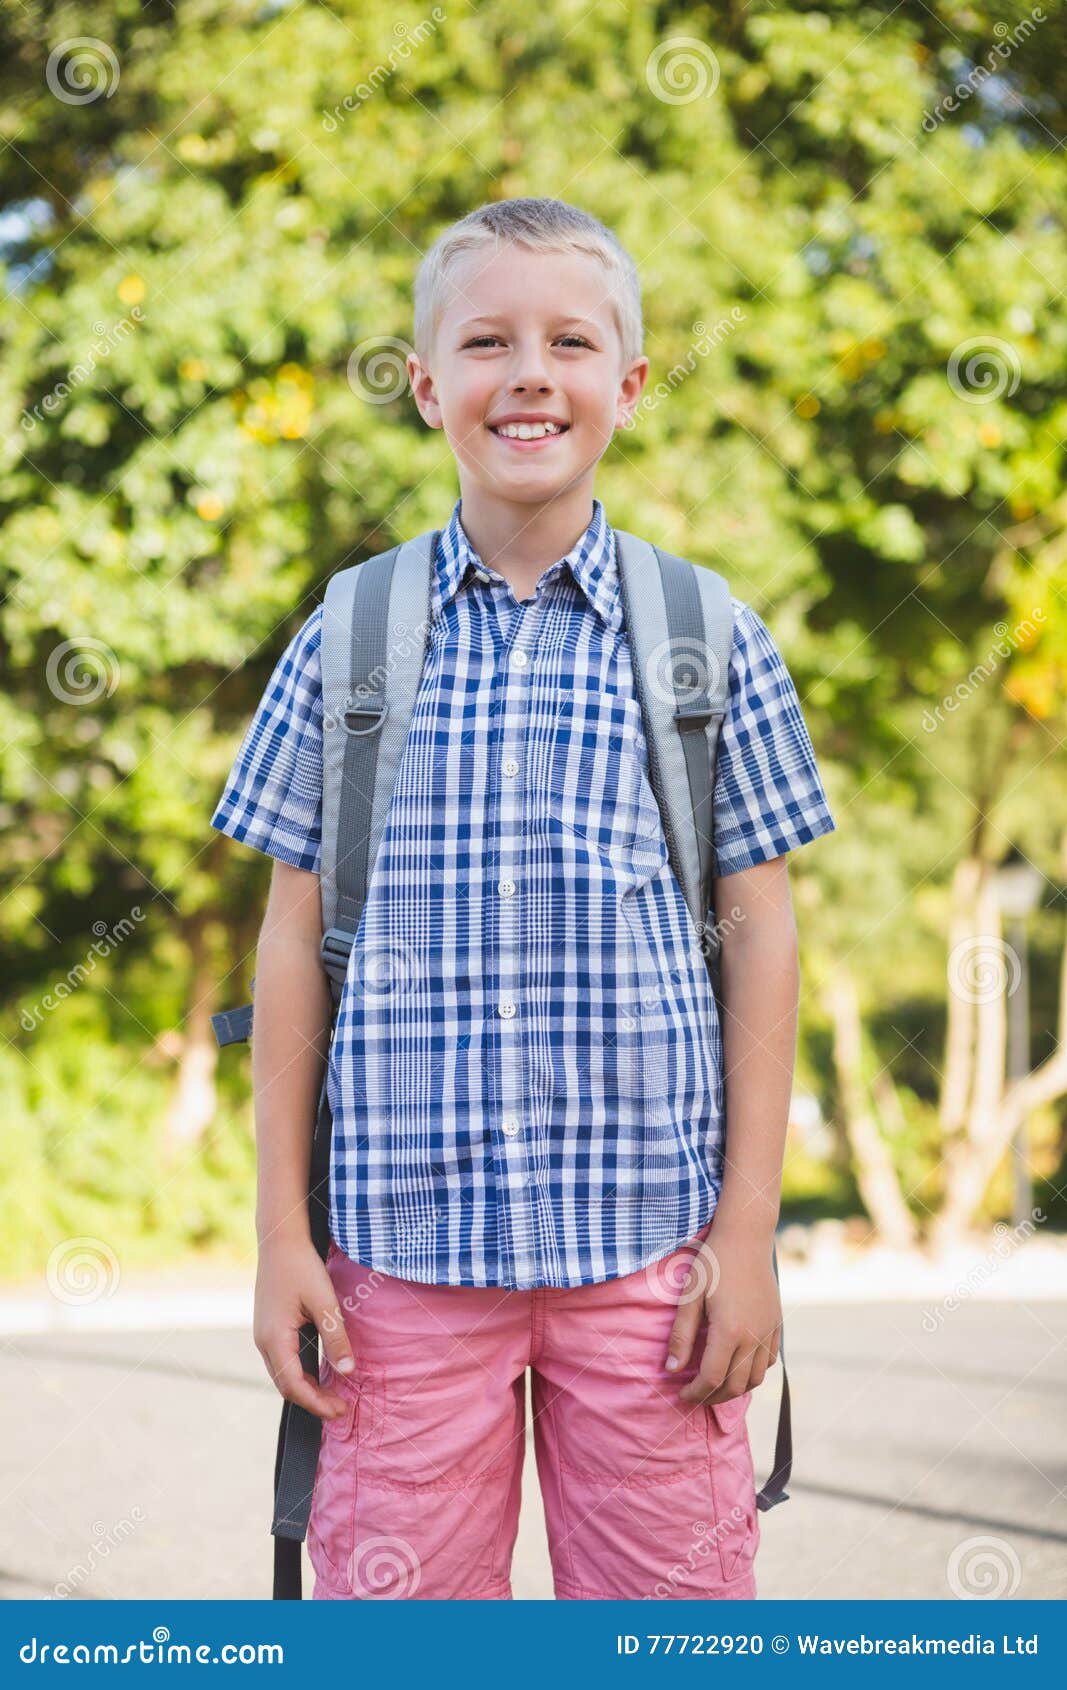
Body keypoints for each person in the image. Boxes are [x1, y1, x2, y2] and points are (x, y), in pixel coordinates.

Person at [210, 196, 836, 1600]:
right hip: (400, 1276)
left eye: (571, 340)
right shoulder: (349, 637)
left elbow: (765, 936)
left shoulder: (707, 635)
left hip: (654, 1272)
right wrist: (279, 1239)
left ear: (630, 381)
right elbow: (295, 939)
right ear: (429, 383)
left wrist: (747, 1234)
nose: (531, 373)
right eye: (487, 340)